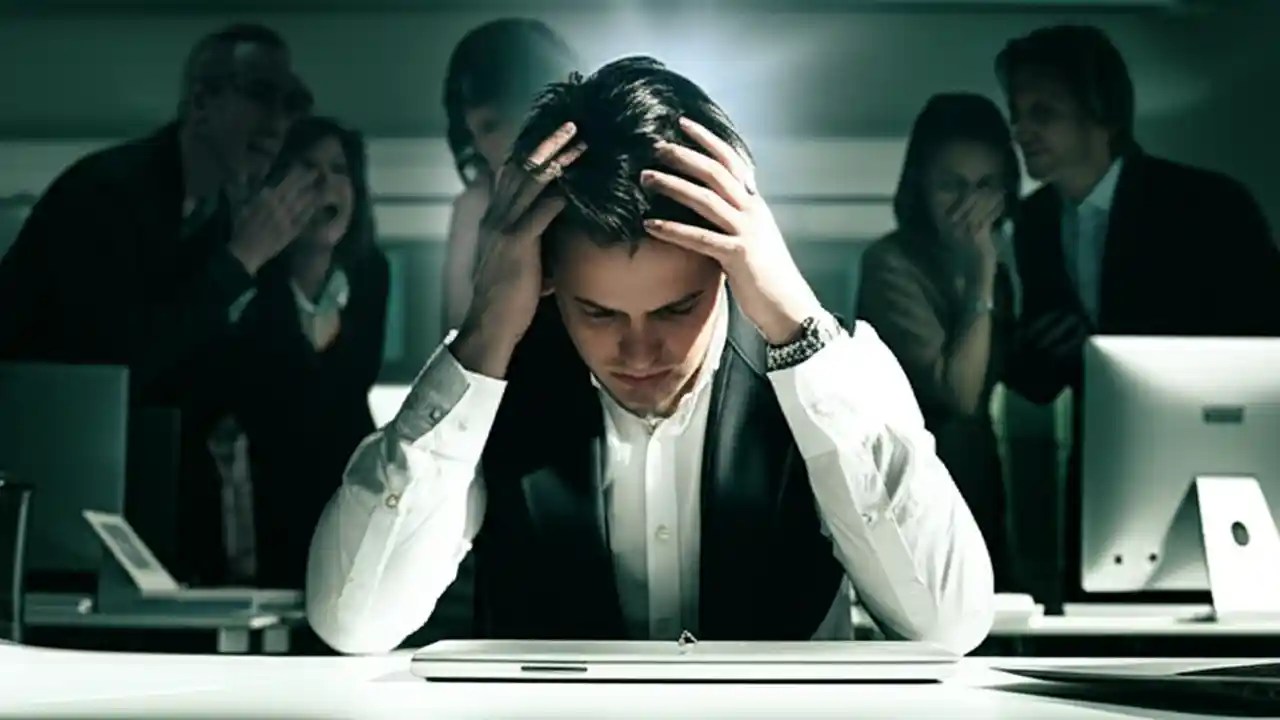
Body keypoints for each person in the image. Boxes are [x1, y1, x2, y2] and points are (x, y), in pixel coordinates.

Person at [306, 57, 995, 656]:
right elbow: (352, 620)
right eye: (598, 312)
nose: (639, 351)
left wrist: (798, 330)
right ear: (548, 284)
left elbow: (949, 622)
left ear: (731, 269)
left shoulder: (836, 370)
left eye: (675, 309)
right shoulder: (494, 387)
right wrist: (484, 331)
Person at [0, 23, 317, 583]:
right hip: (53, 503)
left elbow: (230, 382)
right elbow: (111, 368)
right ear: (200, 102)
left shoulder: (220, 216)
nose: (280, 120)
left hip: (149, 507)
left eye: (293, 102)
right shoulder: (105, 193)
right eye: (262, 94)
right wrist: (239, 261)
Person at [995, 24, 1280, 602]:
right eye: (1016, 114)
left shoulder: (1209, 205)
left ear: (1100, 110)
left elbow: (1263, 343)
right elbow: (1043, 382)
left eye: (1042, 111)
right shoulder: (1034, 223)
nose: (1021, 131)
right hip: (1102, 481)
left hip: (1227, 469)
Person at [856, 93, 1021, 593]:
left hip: (981, 473)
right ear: (922, 187)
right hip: (917, 482)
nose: (969, 204)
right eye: (951, 185)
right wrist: (981, 277)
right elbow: (960, 394)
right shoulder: (891, 263)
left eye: (985, 186)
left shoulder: (1002, 265)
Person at [221, 117, 389, 589]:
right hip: (260, 505)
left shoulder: (370, 275)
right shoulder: (247, 280)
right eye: (308, 167)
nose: (324, 183)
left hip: (345, 497)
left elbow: (351, 387)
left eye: (339, 169)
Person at [439, 18, 579, 332]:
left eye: (490, 126)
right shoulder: (475, 208)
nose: (483, 146)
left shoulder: (602, 189)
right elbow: (457, 341)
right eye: (473, 133)